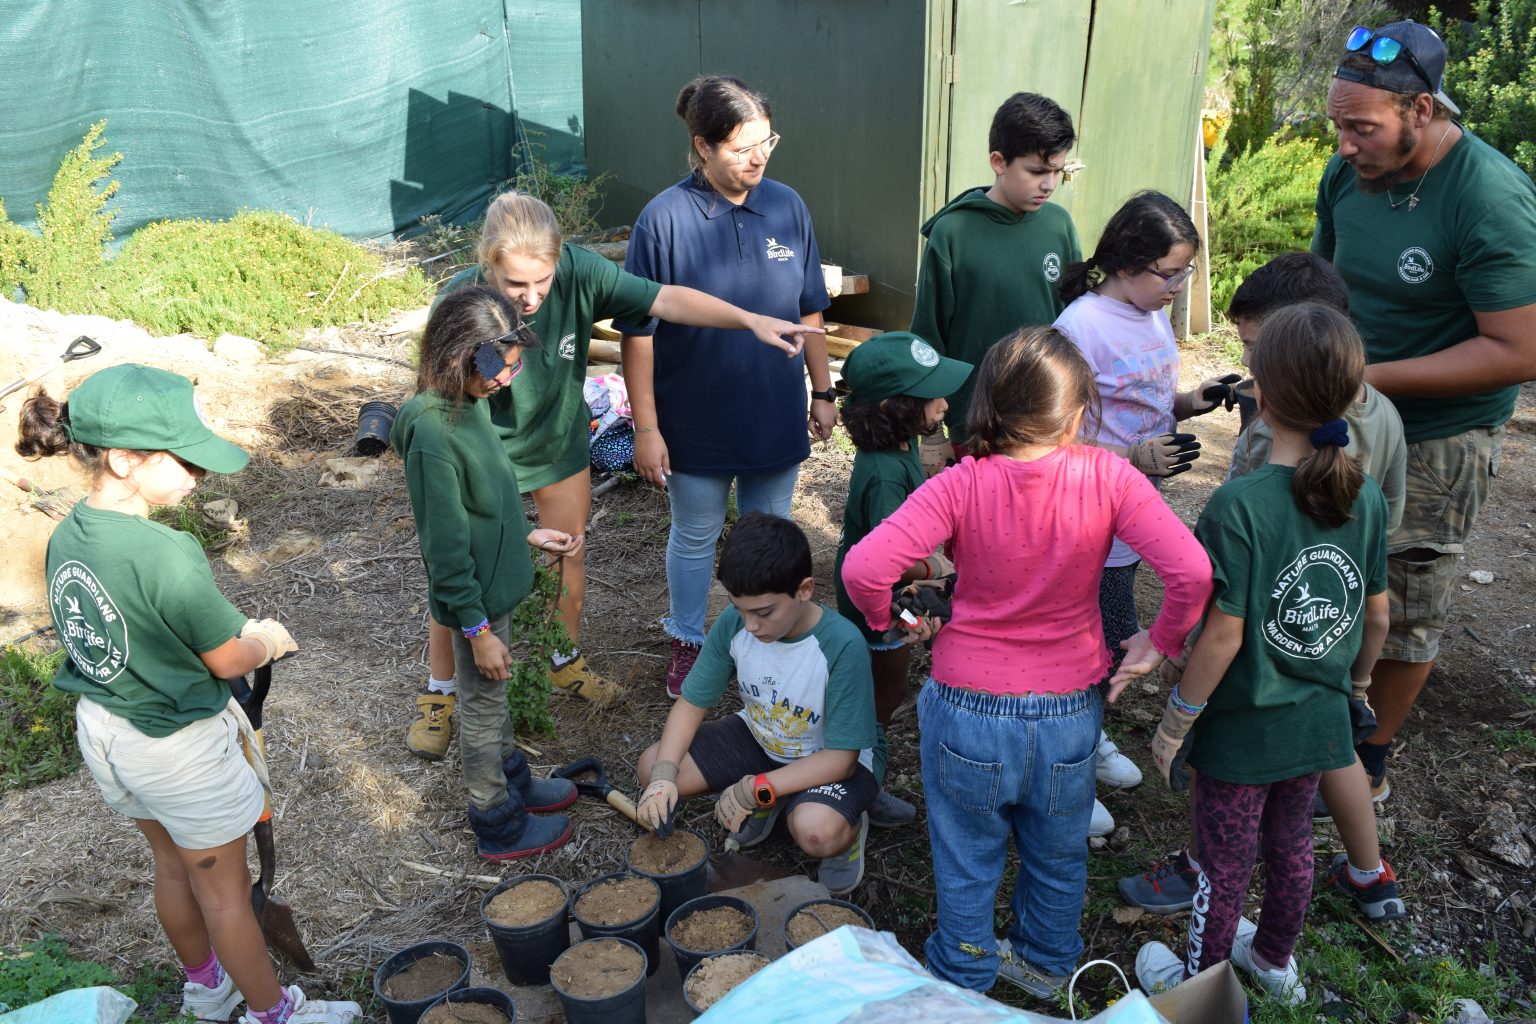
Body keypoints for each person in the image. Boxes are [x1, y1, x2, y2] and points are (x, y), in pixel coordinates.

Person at [841, 327, 1213, 997]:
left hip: (966, 709)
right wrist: (1159, 641)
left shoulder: (960, 482)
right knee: (1058, 850)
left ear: (988, 404)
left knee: (966, 857)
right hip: (1071, 708)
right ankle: (1044, 963)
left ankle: (962, 972)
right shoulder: (1109, 475)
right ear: (1076, 415)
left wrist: (889, 627)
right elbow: (1190, 571)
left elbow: (864, 567)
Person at [404, 190, 824, 758]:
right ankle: (441, 690)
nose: (530, 299)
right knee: (460, 565)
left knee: (568, 551)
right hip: (480, 443)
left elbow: (667, 299)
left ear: (560, 261)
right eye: (514, 286)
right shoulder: (459, 302)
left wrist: (746, 319)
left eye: (542, 283)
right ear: (487, 266)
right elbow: (434, 398)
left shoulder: (581, 271)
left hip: (555, 442)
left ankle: (562, 660)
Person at [17, 364, 360, 1024]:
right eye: (185, 461)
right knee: (226, 894)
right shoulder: (167, 552)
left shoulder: (66, 536)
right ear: (122, 458)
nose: (198, 474)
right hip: (174, 749)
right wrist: (267, 641)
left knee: (171, 865)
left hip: (107, 730)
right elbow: (229, 654)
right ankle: (275, 1014)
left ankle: (207, 987)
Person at [1120, 253, 1410, 923]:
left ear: (1279, 386)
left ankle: (1203, 927)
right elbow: (1375, 601)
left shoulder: (1253, 495)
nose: (1247, 372)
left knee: (1226, 845)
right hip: (1321, 674)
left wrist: (1178, 716)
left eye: (1256, 357)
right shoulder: (1366, 447)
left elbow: (1228, 626)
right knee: (1291, 841)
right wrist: (1357, 686)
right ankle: (1311, 923)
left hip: (1252, 694)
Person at [1316, 19, 1536, 801]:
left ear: (1422, 110)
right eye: (1337, 125)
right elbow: (1322, 281)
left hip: (1439, 437)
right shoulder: (1349, 174)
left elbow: (1517, 349)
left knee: (1404, 600)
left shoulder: (1488, 197)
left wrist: (1369, 378)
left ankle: (1368, 756)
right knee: (1321, 567)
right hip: (1342, 409)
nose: (1344, 145)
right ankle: (1311, 715)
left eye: (1361, 127)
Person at [618, 75, 836, 698]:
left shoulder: (788, 206)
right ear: (702, 146)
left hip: (772, 410)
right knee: (695, 534)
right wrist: (648, 428)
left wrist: (822, 391)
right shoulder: (663, 219)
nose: (759, 158)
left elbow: (810, 306)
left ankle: (777, 644)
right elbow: (639, 333)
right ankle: (688, 641)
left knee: (773, 529)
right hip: (695, 416)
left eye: (767, 142)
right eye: (741, 149)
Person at [1053, 190, 1238, 837]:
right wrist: (1131, 456)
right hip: (1083, 524)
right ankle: (1068, 769)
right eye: (1170, 273)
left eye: (1185, 272)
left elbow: (1151, 402)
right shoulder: (1080, 328)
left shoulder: (1151, 312)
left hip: (1129, 522)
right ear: (1128, 263)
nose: (1179, 287)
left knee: (1105, 640)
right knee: (1084, 647)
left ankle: (1085, 741)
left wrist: (1195, 399)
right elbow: (1051, 439)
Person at [391, 286, 591, 861]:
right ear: (458, 356)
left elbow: (481, 505)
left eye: (512, 366)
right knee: (480, 708)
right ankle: (495, 818)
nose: (505, 380)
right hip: (473, 603)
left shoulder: (469, 404)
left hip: (493, 592)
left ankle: (514, 782)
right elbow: (446, 551)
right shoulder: (431, 433)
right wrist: (476, 633)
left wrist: (526, 533)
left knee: (495, 701)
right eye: (497, 369)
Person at [634, 513, 878, 895]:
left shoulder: (841, 645)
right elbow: (691, 704)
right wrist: (665, 776)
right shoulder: (735, 623)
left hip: (832, 760)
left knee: (817, 832)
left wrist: (755, 789)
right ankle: (774, 796)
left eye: (763, 612)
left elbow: (842, 758)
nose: (750, 625)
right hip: (764, 738)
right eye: (740, 608)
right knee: (652, 766)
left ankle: (847, 827)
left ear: (805, 589)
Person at [830, 331, 971, 827]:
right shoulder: (886, 472)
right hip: (881, 597)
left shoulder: (902, 445)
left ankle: (857, 762)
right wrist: (937, 567)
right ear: (895, 407)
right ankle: (859, 778)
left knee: (893, 670)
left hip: (881, 589)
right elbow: (891, 557)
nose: (944, 402)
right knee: (885, 689)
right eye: (931, 395)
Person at [911, 91, 1081, 467]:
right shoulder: (953, 233)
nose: (1049, 185)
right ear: (998, 161)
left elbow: (1077, 318)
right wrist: (932, 433)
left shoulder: (1059, 226)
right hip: (974, 425)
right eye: (1037, 171)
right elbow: (928, 334)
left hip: (1047, 421)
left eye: (1057, 171)